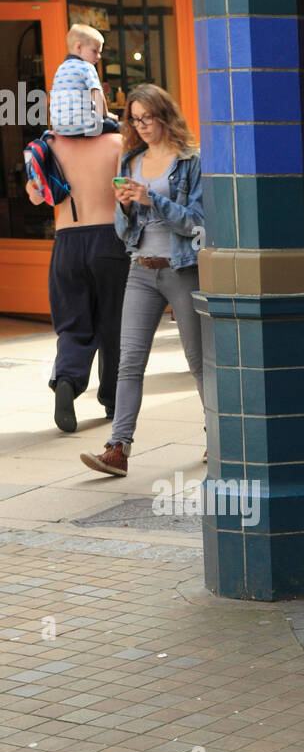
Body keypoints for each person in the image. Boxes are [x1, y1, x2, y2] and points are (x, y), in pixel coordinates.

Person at [81, 85, 204, 479]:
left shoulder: (190, 161)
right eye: (135, 119)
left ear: (164, 115)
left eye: (147, 117)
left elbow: (196, 222)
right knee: (129, 363)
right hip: (140, 269)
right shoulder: (130, 160)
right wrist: (123, 208)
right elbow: (122, 231)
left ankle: (219, 437)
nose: (142, 125)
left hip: (181, 269)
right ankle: (118, 448)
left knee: (198, 362)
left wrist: (152, 199)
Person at [25, 128, 128, 434]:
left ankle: (67, 381)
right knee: (114, 324)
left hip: (67, 240)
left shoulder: (49, 144)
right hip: (109, 239)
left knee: (72, 322)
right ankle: (112, 398)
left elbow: (36, 196)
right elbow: (126, 194)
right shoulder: (117, 142)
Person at [49, 24, 120, 136]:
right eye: (95, 51)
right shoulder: (86, 67)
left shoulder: (60, 69)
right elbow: (97, 94)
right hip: (81, 125)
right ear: (79, 47)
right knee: (117, 127)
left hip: (59, 126)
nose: (99, 56)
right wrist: (106, 115)